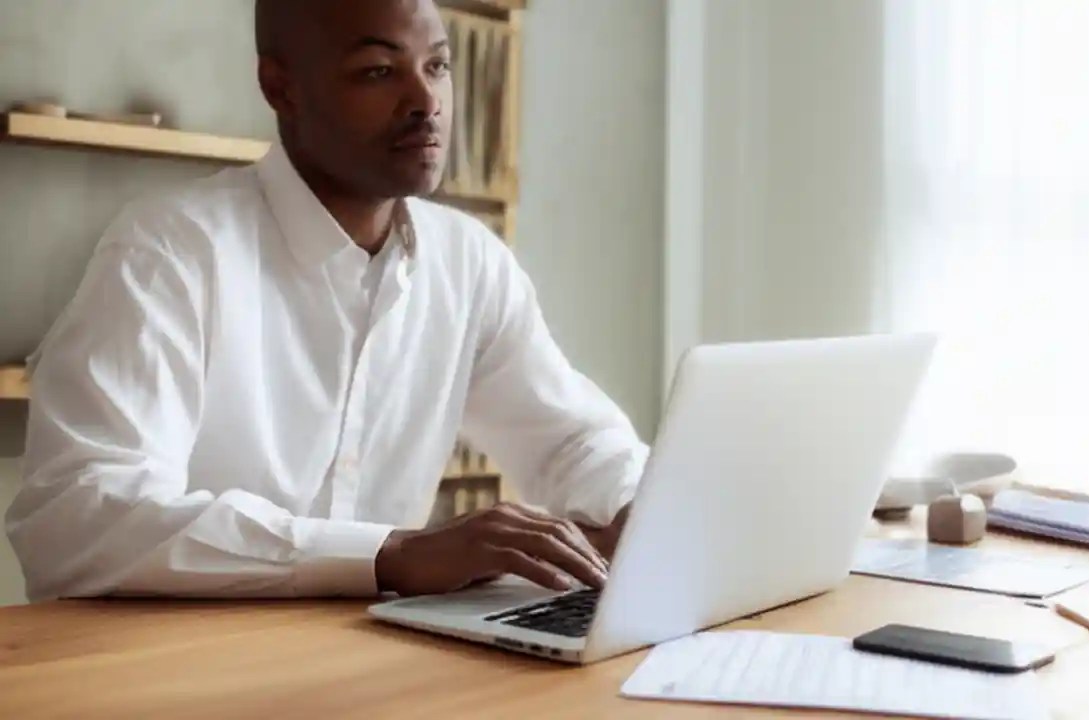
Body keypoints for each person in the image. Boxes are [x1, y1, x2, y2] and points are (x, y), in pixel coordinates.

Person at [5, 0, 647, 602]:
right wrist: (389, 554)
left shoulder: (468, 262)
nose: (427, 101)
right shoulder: (170, 252)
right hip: (182, 664)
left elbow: (571, 440)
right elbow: (78, 518)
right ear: (281, 88)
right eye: (378, 71)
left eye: (437, 66)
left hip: (375, 653)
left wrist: (640, 509)